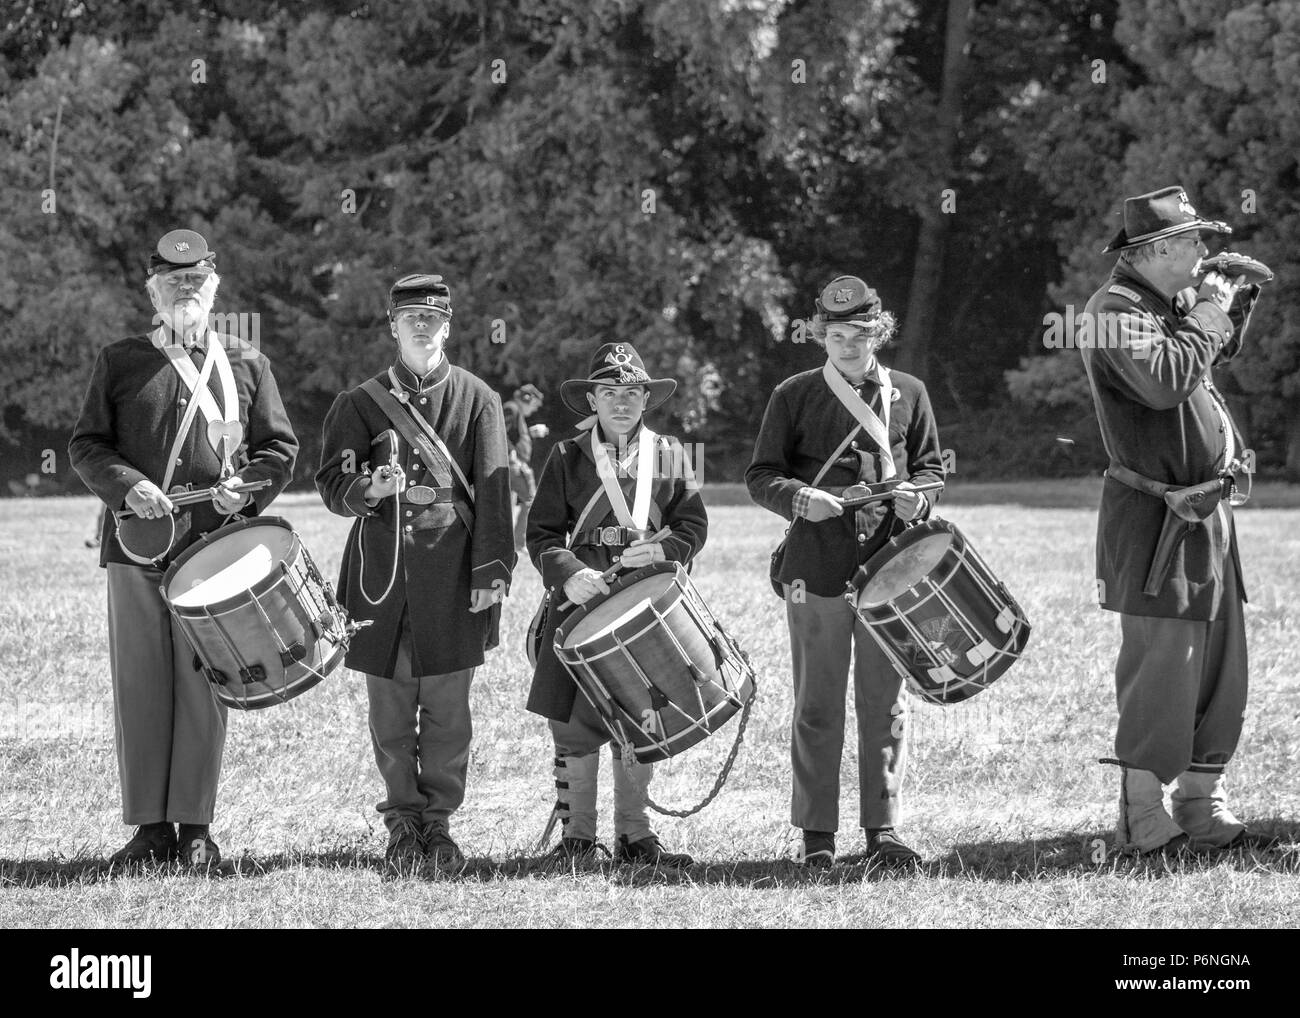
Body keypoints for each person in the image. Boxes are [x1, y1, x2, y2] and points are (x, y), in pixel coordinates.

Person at [69, 228, 298, 867]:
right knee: (141, 686)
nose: (185, 290)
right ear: (153, 289)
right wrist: (130, 485)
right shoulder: (119, 360)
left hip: (215, 550)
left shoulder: (247, 361)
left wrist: (245, 496)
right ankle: (148, 827)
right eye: (173, 281)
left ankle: (195, 826)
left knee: (204, 687)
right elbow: (87, 444)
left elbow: (279, 449)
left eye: (195, 281)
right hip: (137, 547)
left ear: (213, 287)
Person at [1082, 185, 1269, 855]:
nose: (1203, 250)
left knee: (1220, 665)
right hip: (1158, 519)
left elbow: (1205, 355)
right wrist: (1213, 311)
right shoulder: (1112, 311)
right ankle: (1141, 813)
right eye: (1191, 241)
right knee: (1164, 665)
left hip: (1207, 511)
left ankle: (1198, 800)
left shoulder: (1169, 303)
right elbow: (1165, 378)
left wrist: (1230, 308)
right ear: (1152, 250)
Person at [316, 273, 515, 873]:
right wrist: (367, 489)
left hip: (455, 574)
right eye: (412, 319)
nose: (422, 328)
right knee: (392, 710)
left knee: (450, 712)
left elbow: (495, 493)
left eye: (433, 319)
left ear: (448, 326)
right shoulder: (358, 403)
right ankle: (403, 821)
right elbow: (330, 484)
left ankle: (440, 823)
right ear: (393, 325)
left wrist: (492, 569)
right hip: (385, 574)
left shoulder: (480, 399)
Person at [746, 275, 944, 868]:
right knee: (817, 703)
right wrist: (801, 499)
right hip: (817, 566)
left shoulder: (910, 392)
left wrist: (921, 499)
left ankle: (883, 831)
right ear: (820, 336)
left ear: (877, 332)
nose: (849, 345)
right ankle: (817, 837)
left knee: (886, 703)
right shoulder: (794, 394)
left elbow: (932, 470)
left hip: (893, 569)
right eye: (837, 335)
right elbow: (761, 476)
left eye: (860, 333)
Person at [526, 342, 706, 867]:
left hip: (645, 602)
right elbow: (540, 534)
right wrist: (568, 575)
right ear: (593, 401)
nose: (621, 403)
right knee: (575, 716)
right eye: (610, 393)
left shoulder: (671, 453)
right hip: (581, 598)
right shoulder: (565, 456)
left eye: (631, 393)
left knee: (642, 708)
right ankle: (578, 839)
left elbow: (693, 525)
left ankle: (636, 835)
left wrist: (668, 549)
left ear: (645, 399)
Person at [502, 383, 548, 553]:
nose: (535, 409)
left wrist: (529, 432)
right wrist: (512, 454)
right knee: (530, 500)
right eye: (535, 404)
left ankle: (512, 542)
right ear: (527, 398)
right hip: (514, 465)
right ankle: (519, 542)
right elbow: (500, 433)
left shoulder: (515, 410)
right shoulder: (511, 408)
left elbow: (513, 434)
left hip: (515, 464)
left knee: (510, 503)